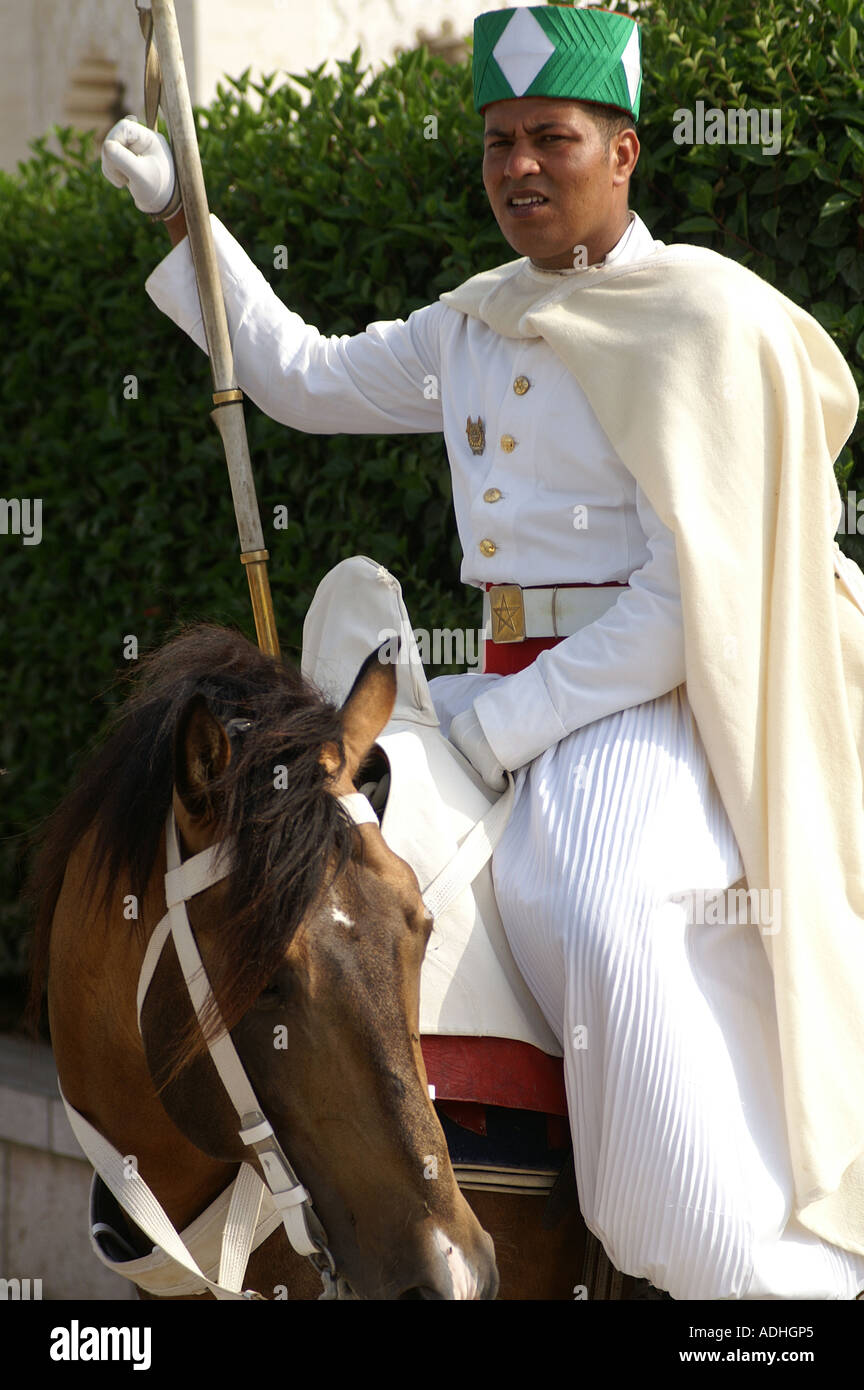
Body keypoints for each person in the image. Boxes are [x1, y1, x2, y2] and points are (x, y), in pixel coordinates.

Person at [102, 3, 864, 1299]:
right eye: (498, 139)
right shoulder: (471, 321)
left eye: (551, 137)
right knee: (297, 849)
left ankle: (748, 1278)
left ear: (622, 150)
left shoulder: (710, 319)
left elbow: (685, 610)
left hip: (648, 700)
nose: (518, 164)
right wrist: (188, 217)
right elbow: (298, 373)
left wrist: (502, 728)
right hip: (482, 686)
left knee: (600, 912)